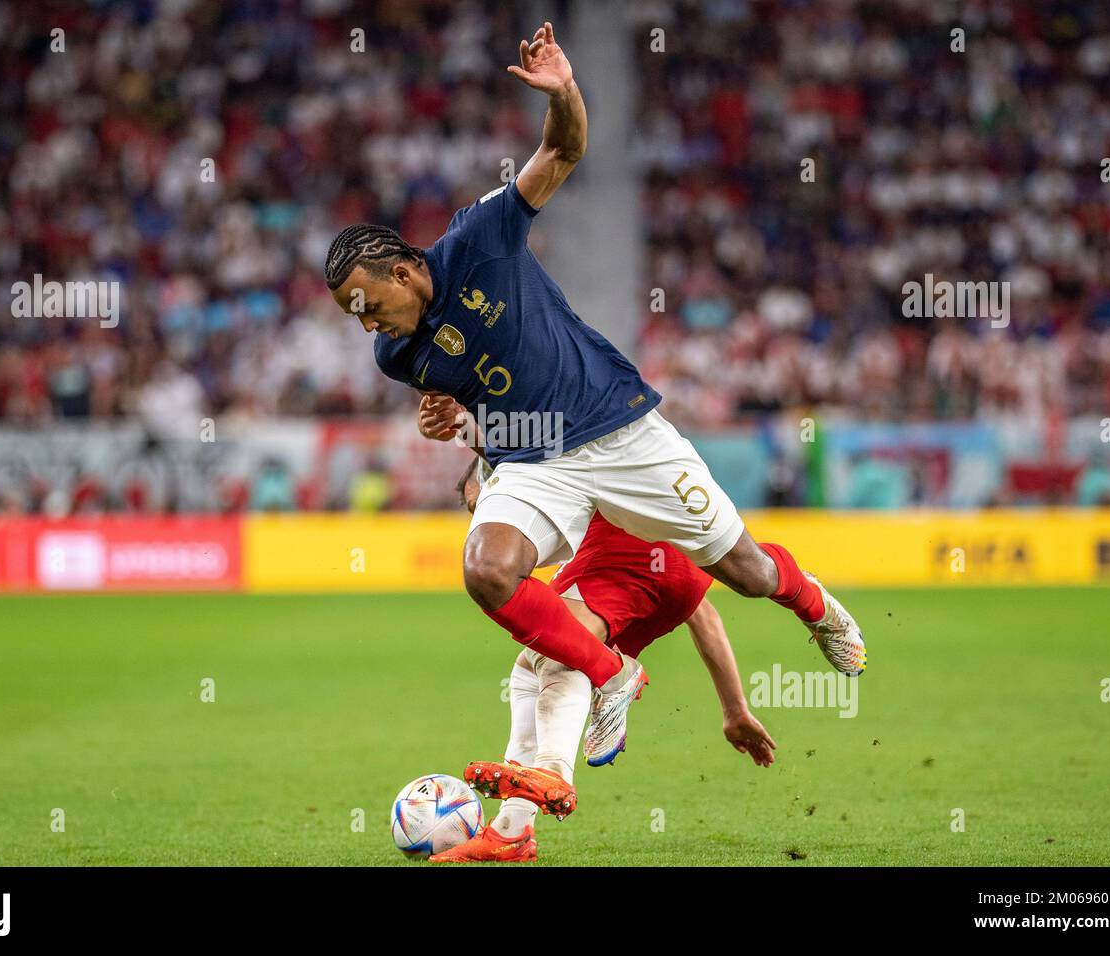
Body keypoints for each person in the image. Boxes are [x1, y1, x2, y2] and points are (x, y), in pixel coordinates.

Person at [325, 21, 864, 769]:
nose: (369, 327)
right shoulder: (398, 353)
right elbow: (477, 397)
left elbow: (563, 150)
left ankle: (816, 607)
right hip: (534, 461)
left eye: (371, 305)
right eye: (357, 318)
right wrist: (453, 420)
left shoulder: (481, 238)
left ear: (407, 272)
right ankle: (611, 674)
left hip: (617, 429)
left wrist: (564, 92)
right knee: (486, 568)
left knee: (744, 572)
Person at [429, 459, 776, 863]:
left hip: (647, 554)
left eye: (485, 503)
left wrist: (458, 415)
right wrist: (734, 709)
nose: (487, 522)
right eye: (477, 512)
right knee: (530, 666)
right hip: (671, 563)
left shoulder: (576, 499)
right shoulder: (579, 523)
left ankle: (555, 770)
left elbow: (510, 427)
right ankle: (513, 828)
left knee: (554, 652)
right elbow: (702, 614)